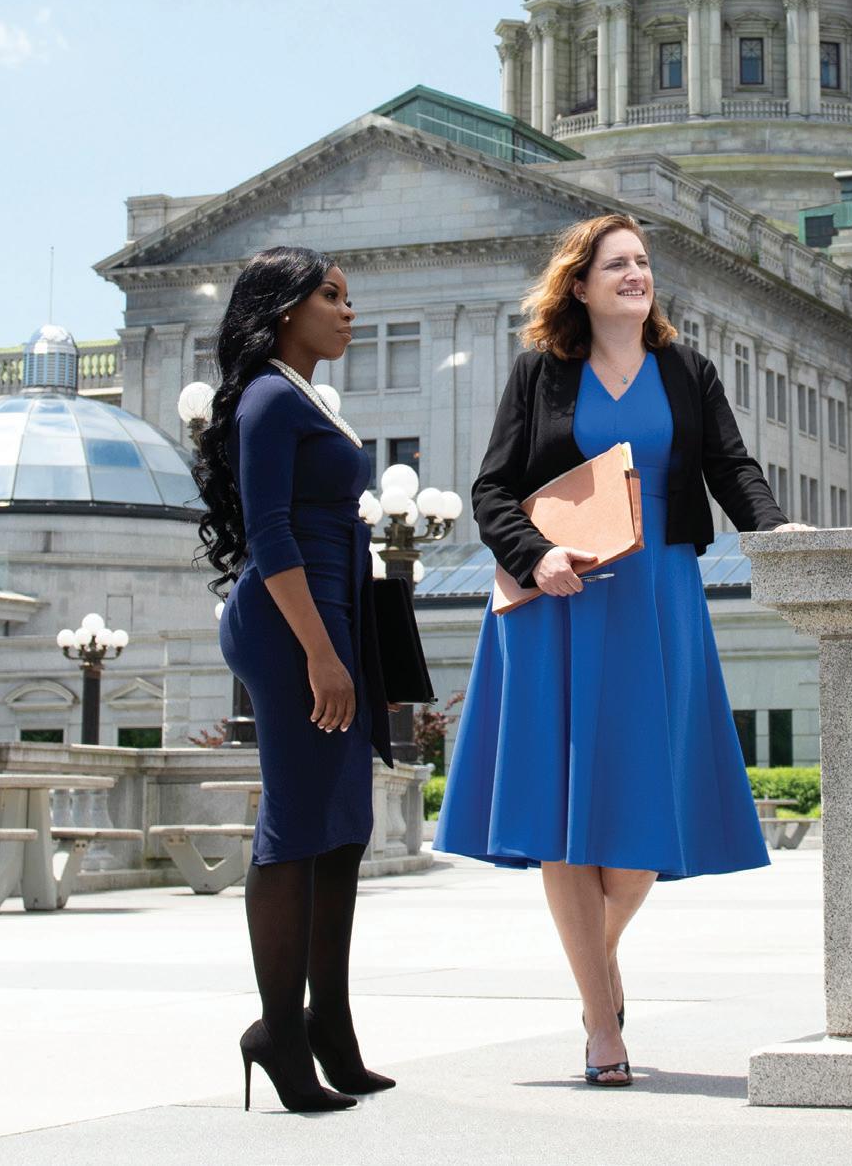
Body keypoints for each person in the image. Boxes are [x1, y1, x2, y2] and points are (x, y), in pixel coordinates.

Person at [437, 213, 791, 1087]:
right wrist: (535, 554)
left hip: (659, 596)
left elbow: (732, 468)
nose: (636, 274)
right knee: (565, 820)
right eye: (617, 264)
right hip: (558, 601)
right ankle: (603, 1025)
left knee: (636, 832)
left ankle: (595, 965)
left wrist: (780, 535)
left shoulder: (686, 370)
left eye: (642, 262)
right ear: (580, 284)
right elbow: (492, 489)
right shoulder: (540, 373)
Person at [192, 245, 394, 1115]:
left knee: (341, 828)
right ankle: (279, 1031)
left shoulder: (301, 395)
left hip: (330, 616)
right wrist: (319, 652)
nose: (348, 312)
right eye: (331, 296)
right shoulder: (269, 399)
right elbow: (269, 532)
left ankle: (330, 1031)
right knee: (297, 825)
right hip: (290, 625)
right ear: (283, 310)